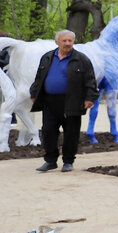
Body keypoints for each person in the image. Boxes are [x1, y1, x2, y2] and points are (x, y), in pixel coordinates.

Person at [30, 30, 99, 173]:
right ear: (57, 42)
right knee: (48, 131)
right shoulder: (47, 57)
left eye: (70, 41)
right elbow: (39, 78)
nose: (67, 43)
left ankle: (68, 161)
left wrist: (90, 98)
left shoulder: (82, 59)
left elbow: (91, 81)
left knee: (71, 133)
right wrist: (34, 93)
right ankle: (50, 161)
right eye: (64, 41)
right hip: (50, 101)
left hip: (72, 101)